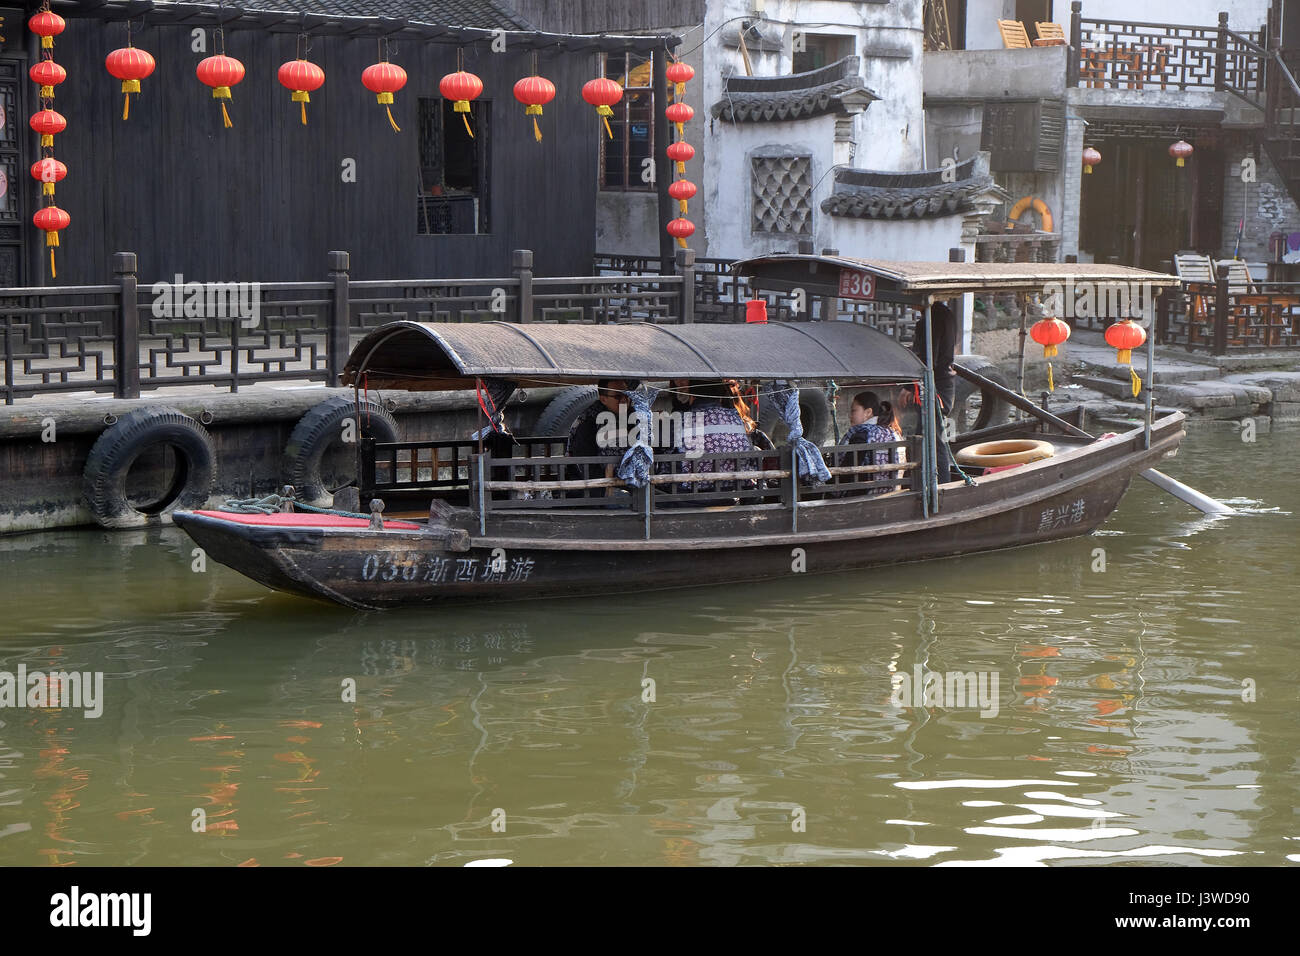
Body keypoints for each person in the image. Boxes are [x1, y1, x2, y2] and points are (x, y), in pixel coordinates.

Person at [565, 379, 638, 498]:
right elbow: (584, 464)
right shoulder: (588, 423)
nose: (624, 400)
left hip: (631, 480)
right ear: (604, 399)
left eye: (627, 395)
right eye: (618, 396)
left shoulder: (634, 416)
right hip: (595, 486)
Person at [912, 301, 958, 481]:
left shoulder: (930, 319)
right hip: (944, 383)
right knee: (931, 436)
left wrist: (910, 386)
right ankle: (930, 482)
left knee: (934, 439)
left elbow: (928, 358)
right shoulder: (945, 313)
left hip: (935, 386)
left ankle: (941, 487)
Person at [840, 391, 903, 495]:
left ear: (868, 412)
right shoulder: (894, 433)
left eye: (853, 411)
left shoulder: (861, 435)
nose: (850, 416)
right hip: (893, 492)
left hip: (864, 496)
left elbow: (845, 473)